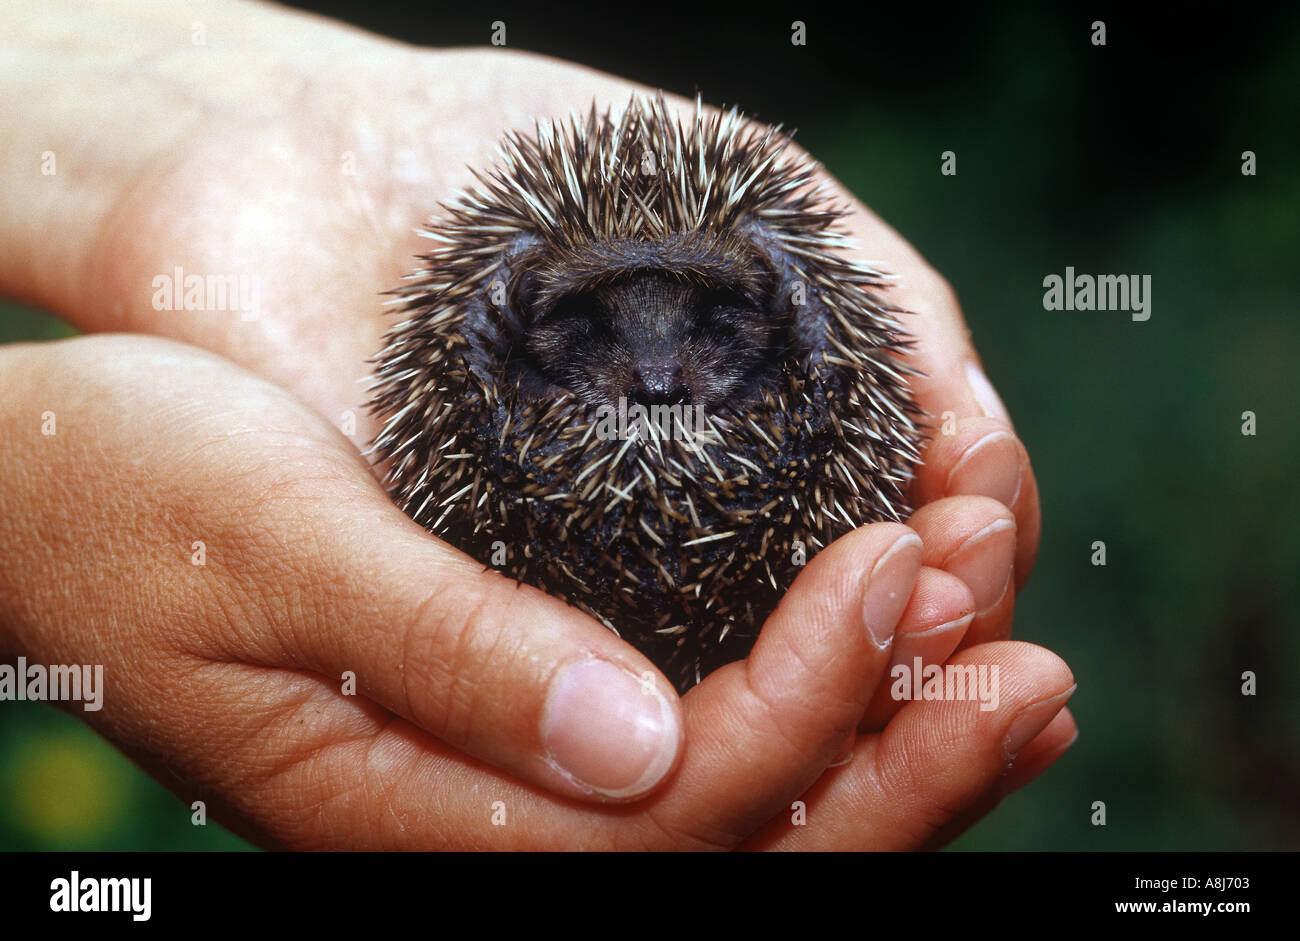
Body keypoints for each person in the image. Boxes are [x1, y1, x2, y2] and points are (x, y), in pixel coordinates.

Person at [0, 0, 1074, 849]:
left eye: (704, 312)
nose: (656, 369)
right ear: (512, 309)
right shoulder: (481, 354)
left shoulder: (789, 342)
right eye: (599, 317)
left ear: (777, 298)